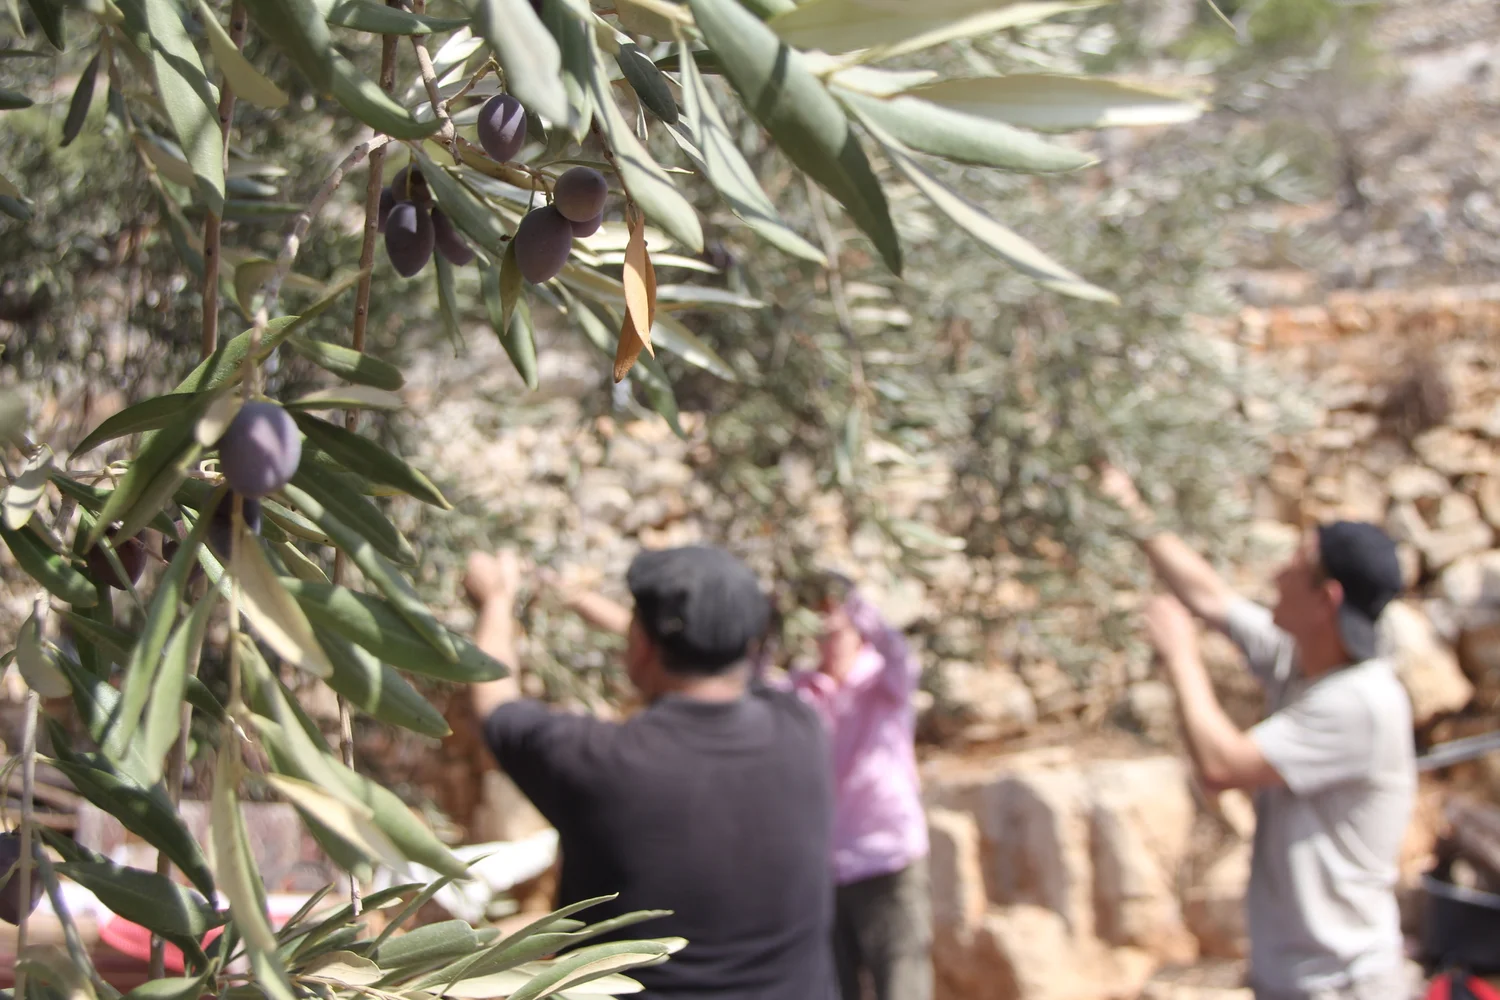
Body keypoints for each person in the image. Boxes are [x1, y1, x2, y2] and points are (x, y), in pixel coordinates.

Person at [463, 546, 837, 1000]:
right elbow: (710, 661)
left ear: (643, 645)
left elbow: (494, 701)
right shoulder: (801, 728)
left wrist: (496, 601)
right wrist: (588, 604)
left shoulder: (602, 764)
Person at [1100, 463, 1416, 1000]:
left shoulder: (1359, 702)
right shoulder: (1303, 661)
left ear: (1326, 599)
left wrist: (1180, 656)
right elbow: (1208, 596)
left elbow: (1223, 766)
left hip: (1342, 986)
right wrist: (1129, 507)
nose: (1276, 575)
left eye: (1294, 564)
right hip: (1296, 981)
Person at [781, 574, 932, 1000]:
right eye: (818, 626)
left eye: (836, 623)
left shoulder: (885, 683)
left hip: (888, 861)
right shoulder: (800, 693)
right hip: (825, 870)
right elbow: (748, 695)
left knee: (903, 987)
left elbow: (895, 647)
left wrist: (847, 596)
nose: (828, 633)